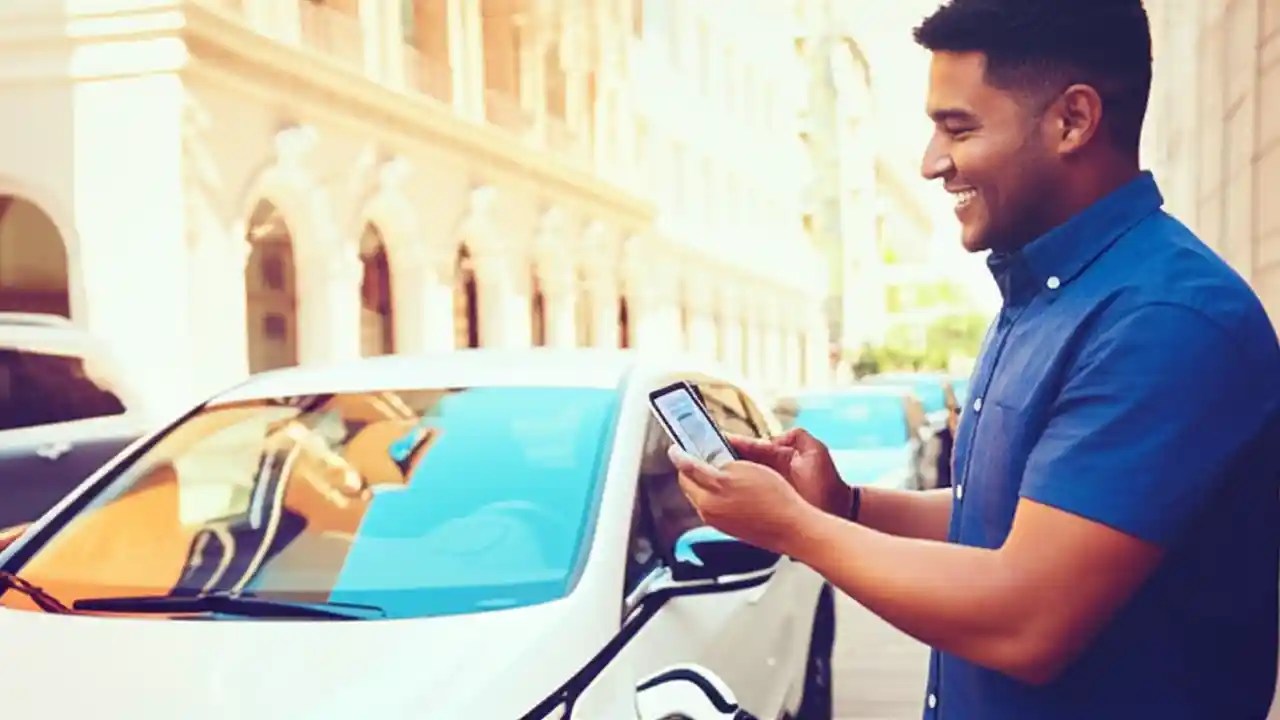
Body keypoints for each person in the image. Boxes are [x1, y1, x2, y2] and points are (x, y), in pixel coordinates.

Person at [669, 1, 1280, 718]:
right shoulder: (1044, 297)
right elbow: (1002, 522)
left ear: (1072, 120)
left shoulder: (1164, 321)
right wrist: (845, 505)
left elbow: (1028, 617)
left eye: (958, 127)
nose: (932, 163)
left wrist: (796, 529)